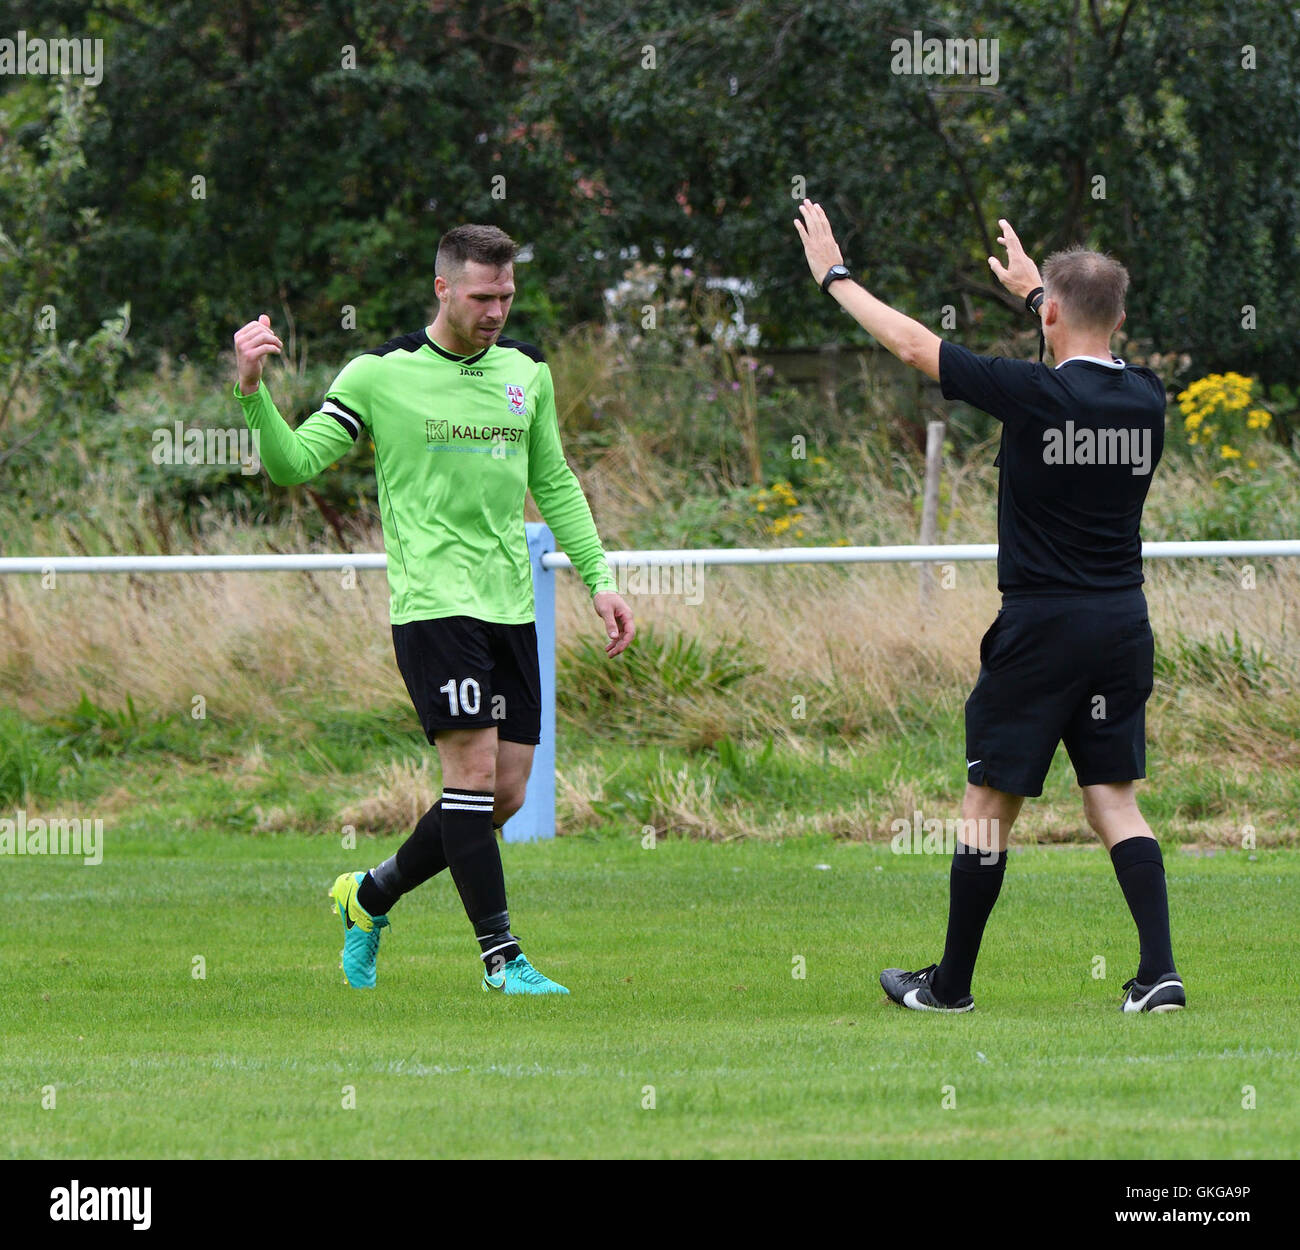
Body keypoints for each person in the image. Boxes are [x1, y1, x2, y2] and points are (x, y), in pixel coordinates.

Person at [793, 200, 1182, 1014]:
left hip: (1042, 628)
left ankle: (952, 986)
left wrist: (835, 275)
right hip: (1122, 625)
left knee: (985, 804)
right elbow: (1085, 336)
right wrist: (1041, 294)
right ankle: (1159, 975)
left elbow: (909, 342)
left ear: (1051, 320)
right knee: (1114, 798)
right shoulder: (1148, 399)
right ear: (1122, 315)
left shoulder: (1034, 395)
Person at [233, 224, 634, 996]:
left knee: (505, 795)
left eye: (507, 296)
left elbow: (552, 480)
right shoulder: (380, 375)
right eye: (483, 296)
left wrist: (599, 577)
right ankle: (501, 959)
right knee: (472, 777)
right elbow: (294, 464)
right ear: (444, 289)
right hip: (433, 607)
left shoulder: (528, 373)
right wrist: (252, 395)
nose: (496, 311)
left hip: (511, 609)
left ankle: (369, 895)